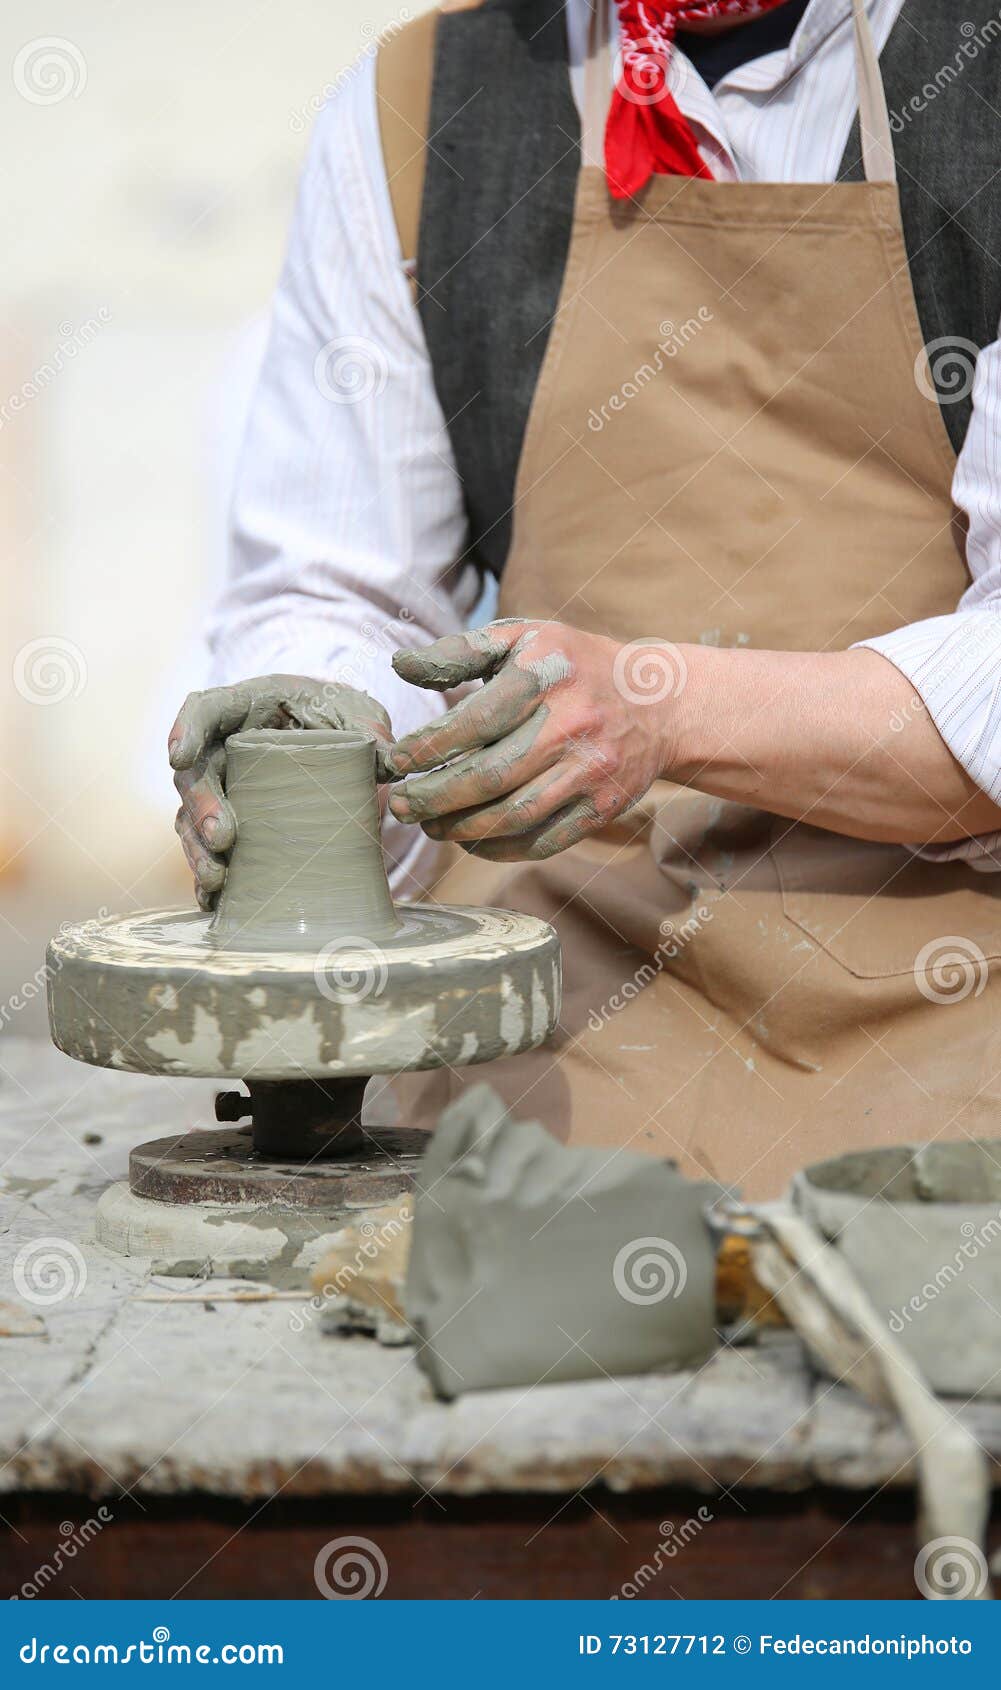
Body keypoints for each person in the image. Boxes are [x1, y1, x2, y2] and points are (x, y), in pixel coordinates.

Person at [171, 1, 1001, 1196]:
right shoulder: (418, 110)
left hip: (945, 953)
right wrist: (306, 741)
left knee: (924, 1254)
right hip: (570, 953)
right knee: (494, 1253)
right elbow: (334, 585)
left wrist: (662, 712)